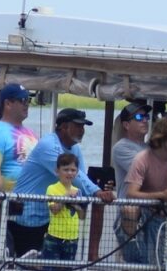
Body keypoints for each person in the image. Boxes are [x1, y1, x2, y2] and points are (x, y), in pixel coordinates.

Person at [8, 107, 112, 255]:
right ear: (63, 127)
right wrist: (96, 191)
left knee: (52, 269)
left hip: (49, 218)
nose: (82, 130)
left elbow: (81, 177)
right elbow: (76, 178)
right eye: (77, 126)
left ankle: (92, 257)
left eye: (83, 126)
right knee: (27, 265)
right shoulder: (49, 145)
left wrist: (93, 195)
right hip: (25, 216)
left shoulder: (75, 148)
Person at [123, 116, 167, 267]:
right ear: (163, 136)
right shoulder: (142, 158)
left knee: (156, 269)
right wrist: (162, 195)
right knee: (128, 211)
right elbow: (131, 193)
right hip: (142, 214)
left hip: (166, 215)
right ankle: (136, 262)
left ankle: (151, 269)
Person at [0, 83, 38, 190]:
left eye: (28, 100)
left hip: (33, 201)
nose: (26, 104)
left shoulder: (32, 134)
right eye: (22, 100)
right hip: (9, 202)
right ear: (8, 103)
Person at [43, 152, 87, 266]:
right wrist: (65, 197)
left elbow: (82, 216)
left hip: (72, 239)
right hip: (54, 237)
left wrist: (76, 204)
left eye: (73, 170)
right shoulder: (51, 188)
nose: (69, 173)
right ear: (57, 171)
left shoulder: (78, 191)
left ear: (77, 172)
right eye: (66, 169)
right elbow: (54, 209)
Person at [111, 102, 152, 197]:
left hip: (150, 207)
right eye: (139, 117)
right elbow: (144, 172)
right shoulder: (121, 147)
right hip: (129, 208)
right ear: (126, 125)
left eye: (146, 116)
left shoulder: (151, 147)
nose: (145, 120)